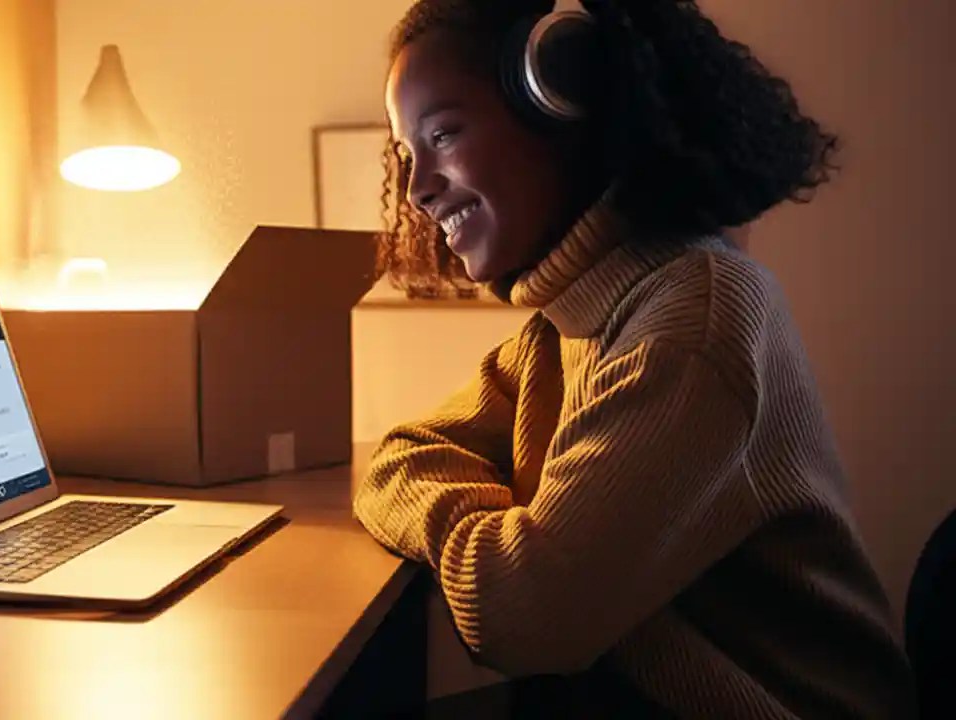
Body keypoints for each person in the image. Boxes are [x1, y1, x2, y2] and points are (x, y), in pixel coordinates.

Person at [352, 0, 917, 716]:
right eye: (408, 155)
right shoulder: (561, 333)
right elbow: (399, 456)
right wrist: (505, 528)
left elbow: (525, 616)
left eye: (443, 135)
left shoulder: (695, 322)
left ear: (559, 100)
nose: (418, 189)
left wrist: (496, 537)